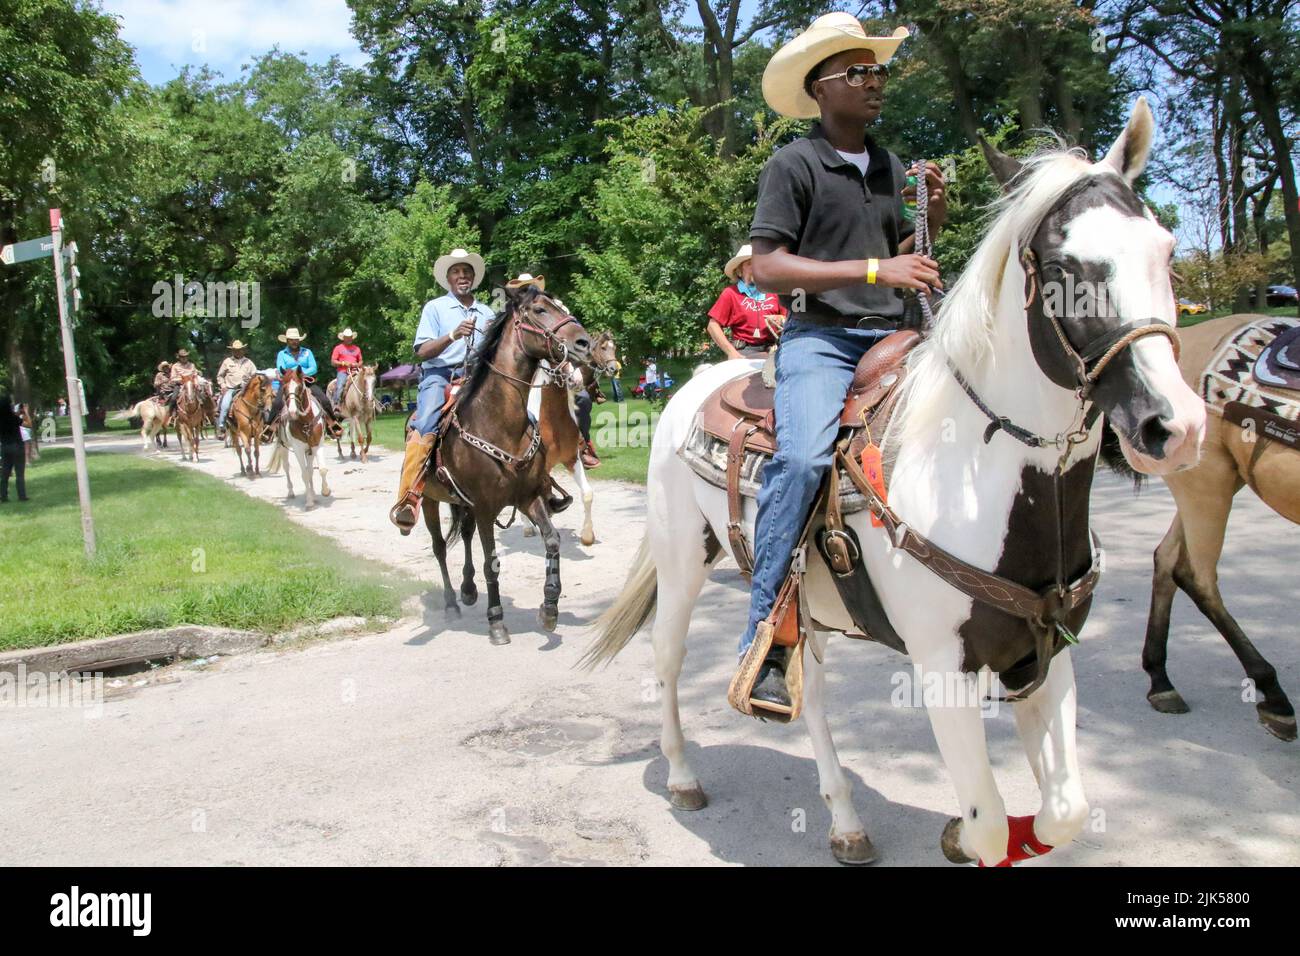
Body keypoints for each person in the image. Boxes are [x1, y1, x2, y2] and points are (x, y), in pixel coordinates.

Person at [735, 13, 946, 709]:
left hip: (899, 335)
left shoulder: (892, 166)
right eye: (858, 72)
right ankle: (768, 632)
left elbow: (903, 259)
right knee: (799, 462)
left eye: (879, 70)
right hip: (821, 338)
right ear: (821, 89)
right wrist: (875, 270)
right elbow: (766, 266)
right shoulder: (792, 164)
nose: (875, 82)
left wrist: (932, 221)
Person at [390, 248, 495, 534]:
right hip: (439, 375)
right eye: (456, 272)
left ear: (473, 277)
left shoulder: (487, 312)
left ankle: (528, 483)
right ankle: (409, 497)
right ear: (448, 278)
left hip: (477, 376)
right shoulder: (435, 308)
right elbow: (422, 352)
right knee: (425, 423)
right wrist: (452, 335)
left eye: (466, 272)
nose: (462, 276)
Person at [707, 244, 787, 359]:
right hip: (744, 352)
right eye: (750, 264)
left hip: (774, 350)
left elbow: (791, 320)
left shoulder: (775, 291)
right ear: (739, 270)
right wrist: (731, 352)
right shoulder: (730, 293)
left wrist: (781, 319)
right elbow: (712, 326)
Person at [263, 329, 343, 439]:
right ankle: (269, 428)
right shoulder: (282, 354)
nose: (294, 342)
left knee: (324, 399)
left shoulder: (307, 352)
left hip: (306, 382)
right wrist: (295, 373)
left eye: (296, 340)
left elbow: (313, 368)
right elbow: (281, 368)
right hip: (290, 383)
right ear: (287, 341)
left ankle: (332, 424)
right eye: (291, 340)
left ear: (299, 340)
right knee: (277, 403)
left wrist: (301, 373)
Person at [214, 340, 256, 440]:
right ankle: (222, 427)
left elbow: (254, 375)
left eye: (239, 350)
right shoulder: (227, 362)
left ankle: (262, 427)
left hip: (246, 389)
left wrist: (251, 382)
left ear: (243, 350)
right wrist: (223, 385)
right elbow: (220, 376)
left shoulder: (248, 362)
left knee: (260, 403)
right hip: (231, 389)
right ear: (232, 351)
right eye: (235, 350)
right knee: (225, 405)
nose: (238, 352)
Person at [1, 396, 27, 503]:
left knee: (5, 473)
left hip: (5, 447)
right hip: (17, 446)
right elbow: (28, 424)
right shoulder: (13, 418)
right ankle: (22, 496)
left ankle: (3, 496)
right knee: (19, 473)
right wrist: (26, 412)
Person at [330, 328, 364, 406]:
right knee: (340, 386)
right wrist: (343, 363)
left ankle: (372, 404)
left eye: (350, 337)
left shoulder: (357, 348)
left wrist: (357, 364)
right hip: (343, 371)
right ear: (343, 338)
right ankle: (336, 405)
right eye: (347, 337)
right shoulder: (338, 348)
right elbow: (333, 361)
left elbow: (361, 361)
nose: (349, 339)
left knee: (367, 382)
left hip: (356, 370)